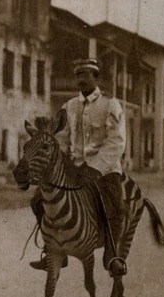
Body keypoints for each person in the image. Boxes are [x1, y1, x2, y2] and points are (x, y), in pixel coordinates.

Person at [29, 58, 127, 277]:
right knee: (37, 199)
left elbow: (117, 142)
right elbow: (62, 139)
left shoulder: (110, 104)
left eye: (86, 74)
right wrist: (58, 165)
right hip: (74, 168)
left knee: (116, 206)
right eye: (78, 75)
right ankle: (54, 250)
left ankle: (112, 256)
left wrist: (95, 168)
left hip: (105, 169)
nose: (81, 79)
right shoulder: (69, 106)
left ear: (96, 77)